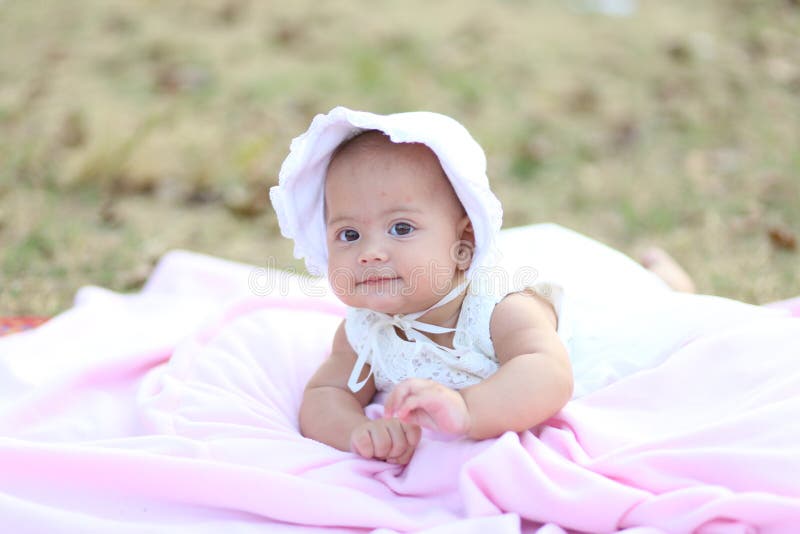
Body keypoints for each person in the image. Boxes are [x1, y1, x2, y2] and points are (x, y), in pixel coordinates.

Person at [270, 107, 573, 465]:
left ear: (464, 242)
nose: (369, 253)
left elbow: (549, 372)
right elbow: (326, 393)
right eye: (349, 234)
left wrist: (467, 410)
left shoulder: (499, 309)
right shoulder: (364, 331)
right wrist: (355, 432)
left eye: (401, 228)